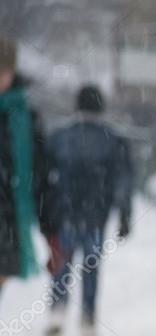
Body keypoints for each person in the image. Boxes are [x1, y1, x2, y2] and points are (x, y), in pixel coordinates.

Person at [44, 84, 133, 336]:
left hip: (65, 212)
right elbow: (122, 179)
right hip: (95, 214)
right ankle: (88, 317)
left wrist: (45, 209)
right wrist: (124, 213)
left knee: (62, 264)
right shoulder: (113, 140)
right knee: (91, 266)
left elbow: (43, 177)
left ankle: (58, 311)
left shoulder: (60, 136)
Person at [0, 37, 51, 298]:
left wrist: (49, 228)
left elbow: (41, 174)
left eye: (3, 71)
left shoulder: (25, 116)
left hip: (8, 220)